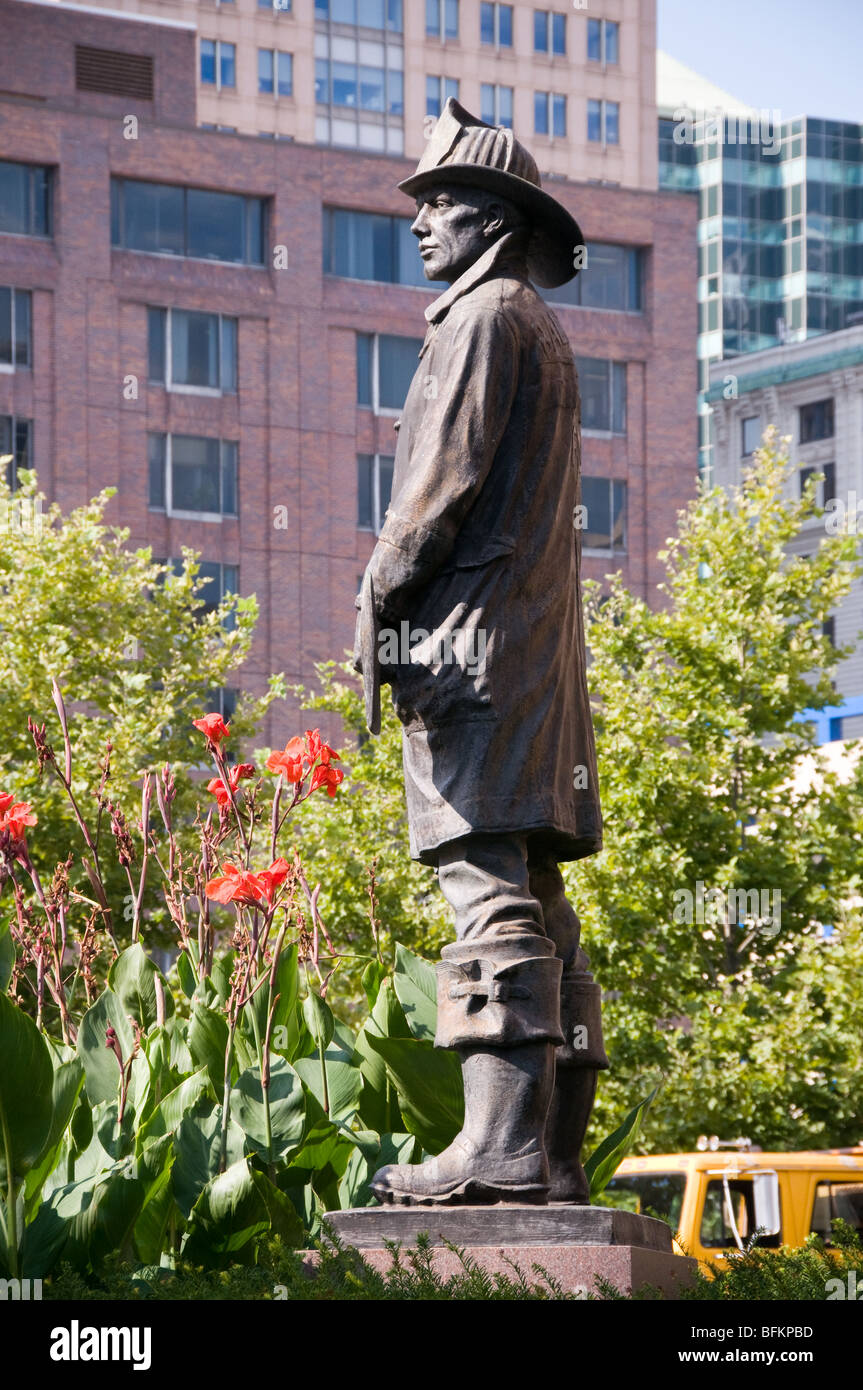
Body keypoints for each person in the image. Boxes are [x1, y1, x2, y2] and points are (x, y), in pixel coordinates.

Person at [355, 100, 607, 1206]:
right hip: (530, 661)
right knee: (536, 890)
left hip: (466, 654)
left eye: (443, 202)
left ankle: (500, 1149)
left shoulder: (476, 320)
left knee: (482, 883)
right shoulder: (537, 329)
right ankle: (549, 1157)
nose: (421, 221)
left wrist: (375, 599)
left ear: (497, 220)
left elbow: (432, 495)